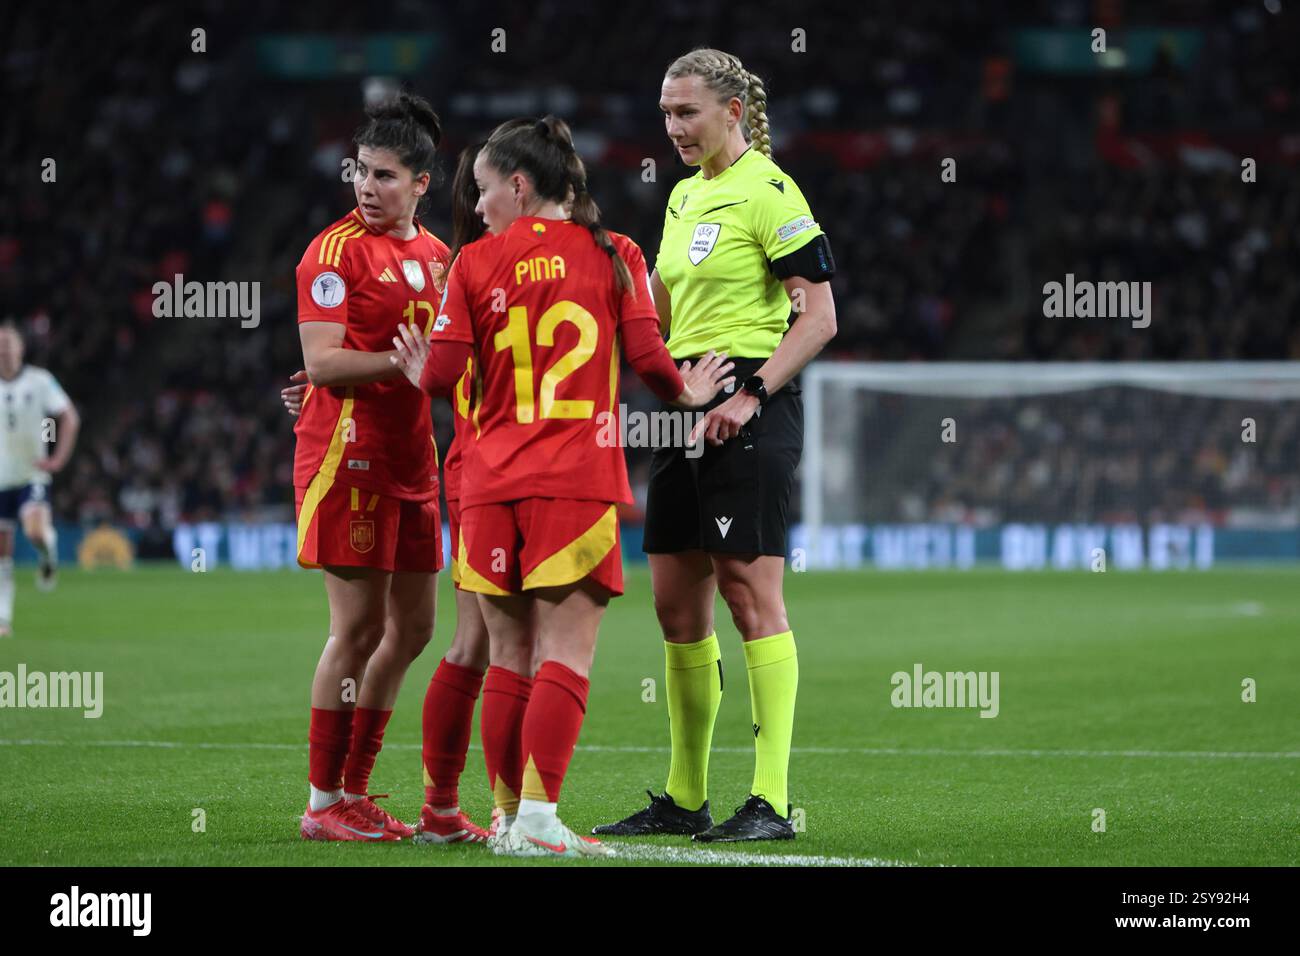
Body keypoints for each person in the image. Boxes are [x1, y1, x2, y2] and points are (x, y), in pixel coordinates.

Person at [391, 115, 733, 857]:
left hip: (485, 483)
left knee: (505, 655)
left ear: (519, 185)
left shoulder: (474, 263)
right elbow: (648, 358)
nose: (477, 206)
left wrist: (423, 372)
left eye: (483, 190)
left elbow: (443, 379)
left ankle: (509, 819)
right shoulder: (616, 253)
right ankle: (542, 819)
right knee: (565, 656)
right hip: (574, 480)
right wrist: (690, 394)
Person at [594, 48, 837, 842]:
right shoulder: (680, 199)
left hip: (749, 405)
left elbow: (820, 317)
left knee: (748, 593)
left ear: (733, 111)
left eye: (687, 111)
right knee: (674, 606)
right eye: (666, 113)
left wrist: (751, 393)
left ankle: (770, 801)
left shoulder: (769, 191)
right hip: (683, 406)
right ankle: (684, 796)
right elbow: (657, 310)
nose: (674, 127)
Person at [293, 91, 453, 842]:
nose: (367, 186)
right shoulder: (332, 252)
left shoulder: (438, 257)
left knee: (415, 628)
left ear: (422, 182)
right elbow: (321, 363)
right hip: (346, 458)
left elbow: (448, 362)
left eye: (386, 175)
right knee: (355, 630)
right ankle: (324, 802)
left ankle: (354, 789)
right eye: (360, 170)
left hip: (415, 461)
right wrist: (401, 361)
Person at [0, 322, 79, 637]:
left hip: (32, 473)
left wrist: (59, 458)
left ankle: (48, 551)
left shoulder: (40, 381)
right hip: (1, 478)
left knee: (34, 532)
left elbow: (69, 416)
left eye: (9, 342)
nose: (4, 348)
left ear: (21, 348)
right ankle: (3, 619)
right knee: (2, 554)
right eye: (0, 343)